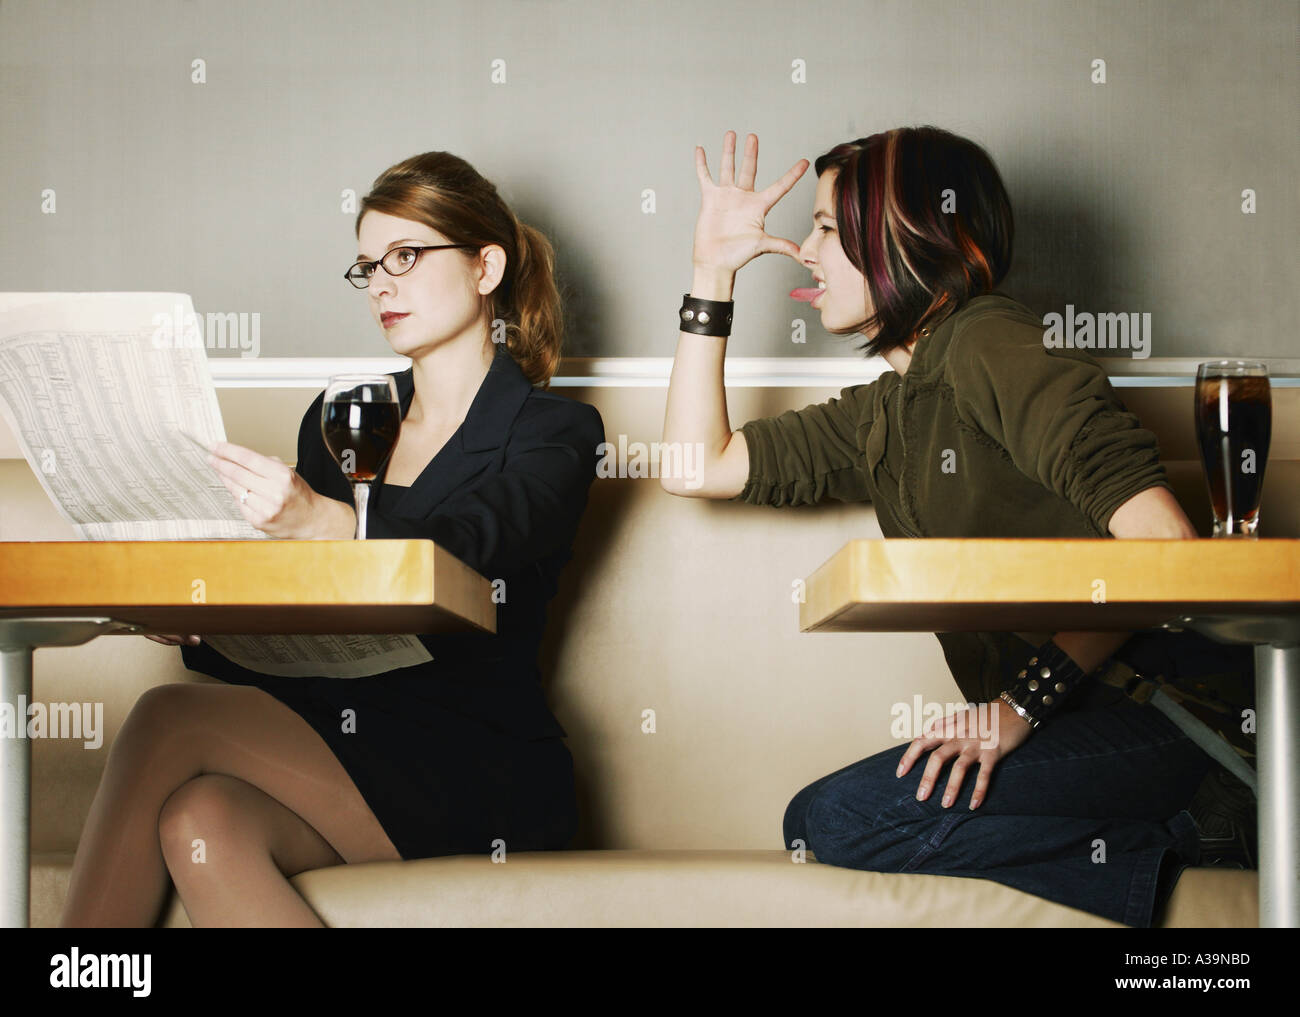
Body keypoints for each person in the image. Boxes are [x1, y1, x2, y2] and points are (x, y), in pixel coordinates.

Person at [660, 127, 1256, 928]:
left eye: (830, 228)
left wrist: (1020, 705)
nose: (805, 250)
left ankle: (1212, 833)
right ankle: (1188, 848)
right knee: (819, 821)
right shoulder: (887, 406)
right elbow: (697, 466)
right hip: (1081, 729)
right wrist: (711, 274)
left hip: (1173, 715)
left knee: (839, 818)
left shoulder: (988, 343)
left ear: (918, 236)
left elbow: (1165, 549)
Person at [59, 151, 605, 927]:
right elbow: (307, 635)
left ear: (487, 266)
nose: (381, 283)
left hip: (479, 761)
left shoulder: (555, 431)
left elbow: (472, 544)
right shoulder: (344, 417)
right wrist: (209, 623)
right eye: (367, 267)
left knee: (166, 717)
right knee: (201, 821)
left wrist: (330, 522)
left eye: (406, 256)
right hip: (344, 741)